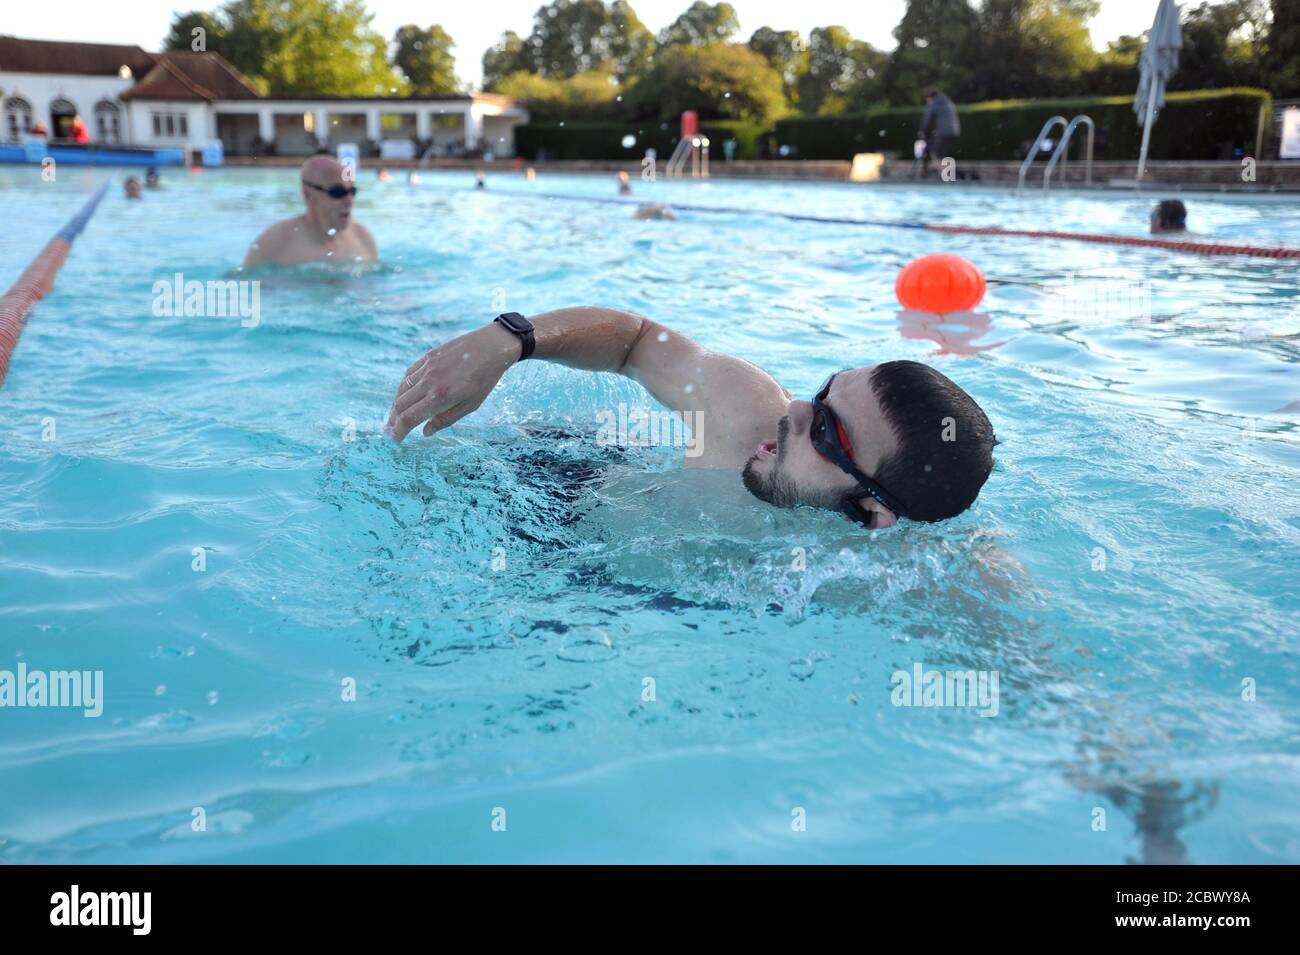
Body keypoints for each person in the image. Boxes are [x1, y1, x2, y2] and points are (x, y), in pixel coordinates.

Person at [386, 307, 996, 529]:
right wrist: (509, 340)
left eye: (827, 430)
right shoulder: (749, 410)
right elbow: (636, 342)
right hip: (561, 489)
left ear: (871, 512)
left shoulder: (883, 574)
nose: (798, 411)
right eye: (826, 390)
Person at [243, 155, 377, 266]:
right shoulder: (274, 243)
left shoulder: (363, 238)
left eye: (352, 191)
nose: (349, 201)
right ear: (308, 194)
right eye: (337, 192)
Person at [917, 88, 960, 174]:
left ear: (929, 97)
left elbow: (928, 118)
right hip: (954, 131)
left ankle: (944, 176)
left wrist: (922, 130)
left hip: (944, 132)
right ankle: (948, 174)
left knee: (938, 154)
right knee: (942, 152)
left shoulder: (935, 103)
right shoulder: (946, 101)